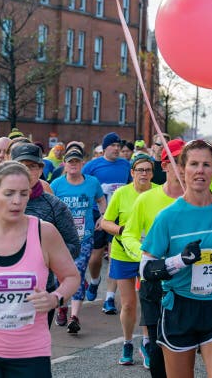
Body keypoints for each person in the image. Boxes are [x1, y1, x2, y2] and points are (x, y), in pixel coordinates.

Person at [140, 140, 212, 378]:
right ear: (182, 169)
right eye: (194, 164)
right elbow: (145, 269)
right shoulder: (168, 217)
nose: (200, 170)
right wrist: (180, 260)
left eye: (206, 165)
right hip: (180, 309)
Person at [0, 161, 80, 378]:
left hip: (29, 354)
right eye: (9, 193)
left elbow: (71, 277)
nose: (17, 201)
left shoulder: (44, 232)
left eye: (24, 194)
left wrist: (55, 298)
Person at [121, 138, 185, 375]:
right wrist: (144, 255)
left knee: (182, 346)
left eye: (187, 161)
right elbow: (128, 234)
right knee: (157, 346)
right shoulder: (147, 199)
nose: (183, 167)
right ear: (165, 165)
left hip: (187, 281)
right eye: (178, 161)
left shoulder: (201, 198)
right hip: (155, 280)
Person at [10, 142, 80, 328]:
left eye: (32, 166)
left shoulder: (55, 206)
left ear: (40, 170)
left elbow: (74, 246)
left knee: (35, 344)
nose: (27, 171)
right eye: (21, 166)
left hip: (40, 292)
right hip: (2, 289)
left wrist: (45, 256)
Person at [100, 153, 158, 365]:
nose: (144, 174)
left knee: (148, 301)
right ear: (132, 172)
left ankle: (147, 343)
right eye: (140, 170)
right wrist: (122, 230)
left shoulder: (159, 192)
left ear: (152, 173)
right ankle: (127, 342)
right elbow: (105, 222)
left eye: (148, 170)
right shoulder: (121, 193)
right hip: (123, 253)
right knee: (128, 304)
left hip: (149, 255)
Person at [50, 144, 106, 335]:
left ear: (82, 163)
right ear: (64, 164)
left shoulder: (92, 182)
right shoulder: (56, 185)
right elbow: (49, 206)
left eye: (76, 161)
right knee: (59, 276)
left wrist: (102, 216)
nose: (73, 164)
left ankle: (74, 317)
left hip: (84, 237)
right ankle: (62, 307)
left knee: (78, 273)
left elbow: (101, 199)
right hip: (60, 239)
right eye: (70, 161)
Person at [82, 132, 131, 310]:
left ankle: (109, 298)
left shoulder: (126, 165)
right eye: (113, 145)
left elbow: (131, 187)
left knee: (113, 256)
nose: (117, 148)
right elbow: (83, 187)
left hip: (118, 218)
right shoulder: (92, 166)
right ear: (104, 148)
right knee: (95, 258)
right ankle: (95, 281)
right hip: (97, 216)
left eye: (119, 146)